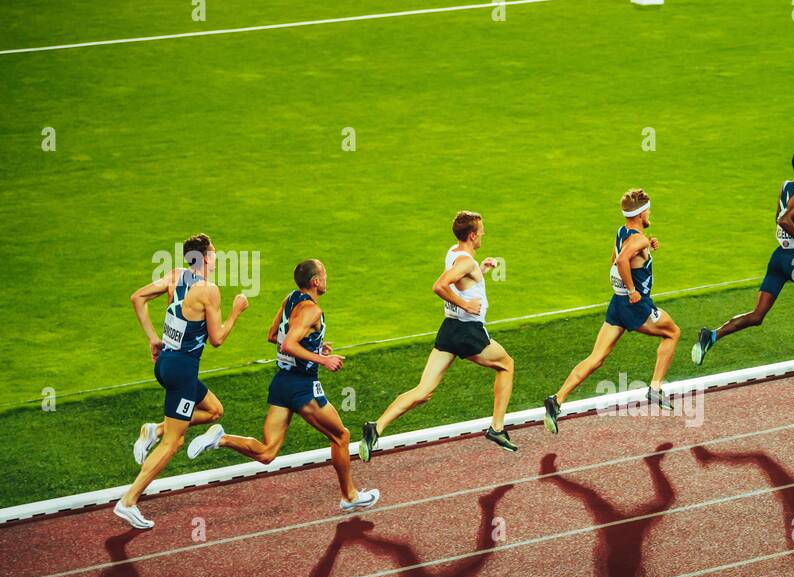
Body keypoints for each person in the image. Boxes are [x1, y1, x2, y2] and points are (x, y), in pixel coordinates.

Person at [189, 259, 379, 512]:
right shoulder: (313, 311)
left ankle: (221, 438)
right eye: (324, 274)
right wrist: (322, 358)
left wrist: (314, 345)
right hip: (302, 386)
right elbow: (289, 344)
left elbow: (273, 336)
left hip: (281, 383)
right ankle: (349, 496)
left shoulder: (290, 299)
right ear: (316, 282)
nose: (326, 278)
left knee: (267, 453)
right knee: (341, 435)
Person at [114, 233, 249, 529]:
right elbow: (217, 339)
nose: (216, 258)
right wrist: (237, 311)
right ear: (203, 257)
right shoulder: (209, 291)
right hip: (182, 371)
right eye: (213, 253)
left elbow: (137, 298)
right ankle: (128, 501)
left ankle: (153, 430)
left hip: (164, 364)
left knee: (214, 411)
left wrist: (152, 338)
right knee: (174, 442)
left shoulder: (176, 275)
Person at [360, 211, 517, 459]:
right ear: (472, 235)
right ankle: (497, 428)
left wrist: (482, 270)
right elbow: (439, 286)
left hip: (450, 328)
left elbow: (462, 283)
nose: (484, 233)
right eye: (482, 230)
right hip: (468, 331)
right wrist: (466, 306)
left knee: (424, 390)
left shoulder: (453, 253)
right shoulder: (466, 262)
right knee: (507, 364)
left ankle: (375, 427)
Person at [691, 149, 794, 376]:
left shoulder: (786, 187)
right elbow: (785, 220)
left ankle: (712, 335)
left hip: (779, 258)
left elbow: (780, 216)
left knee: (757, 315)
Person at [542, 189, 680, 434]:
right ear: (640, 213)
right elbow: (621, 261)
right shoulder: (637, 240)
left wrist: (647, 245)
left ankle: (557, 400)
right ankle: (655, 388)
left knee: (596, 358)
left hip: (617, 303)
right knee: (672, 333)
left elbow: (616, 259)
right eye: (648, 210)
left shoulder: (623, 232)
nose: (650, 213)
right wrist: (631, 289)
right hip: (635, 304)